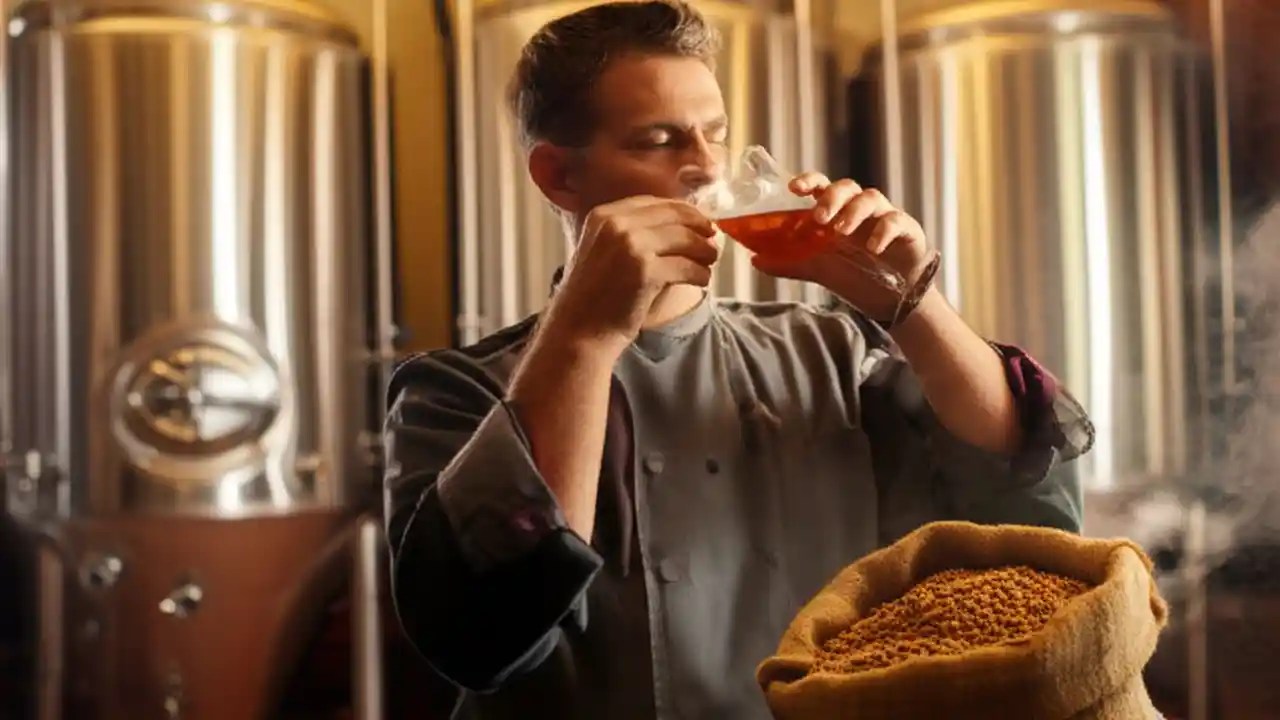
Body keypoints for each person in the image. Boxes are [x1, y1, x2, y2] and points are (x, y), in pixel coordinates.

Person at [383, 2, 1093, 718]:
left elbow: (1026, 497)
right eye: (659, 141)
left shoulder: (826, 351)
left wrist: (909, 303)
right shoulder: (457, 391)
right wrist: (584, 337)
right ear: (559, 178)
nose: (706, 167)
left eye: (714, 134)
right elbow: (480, 634)